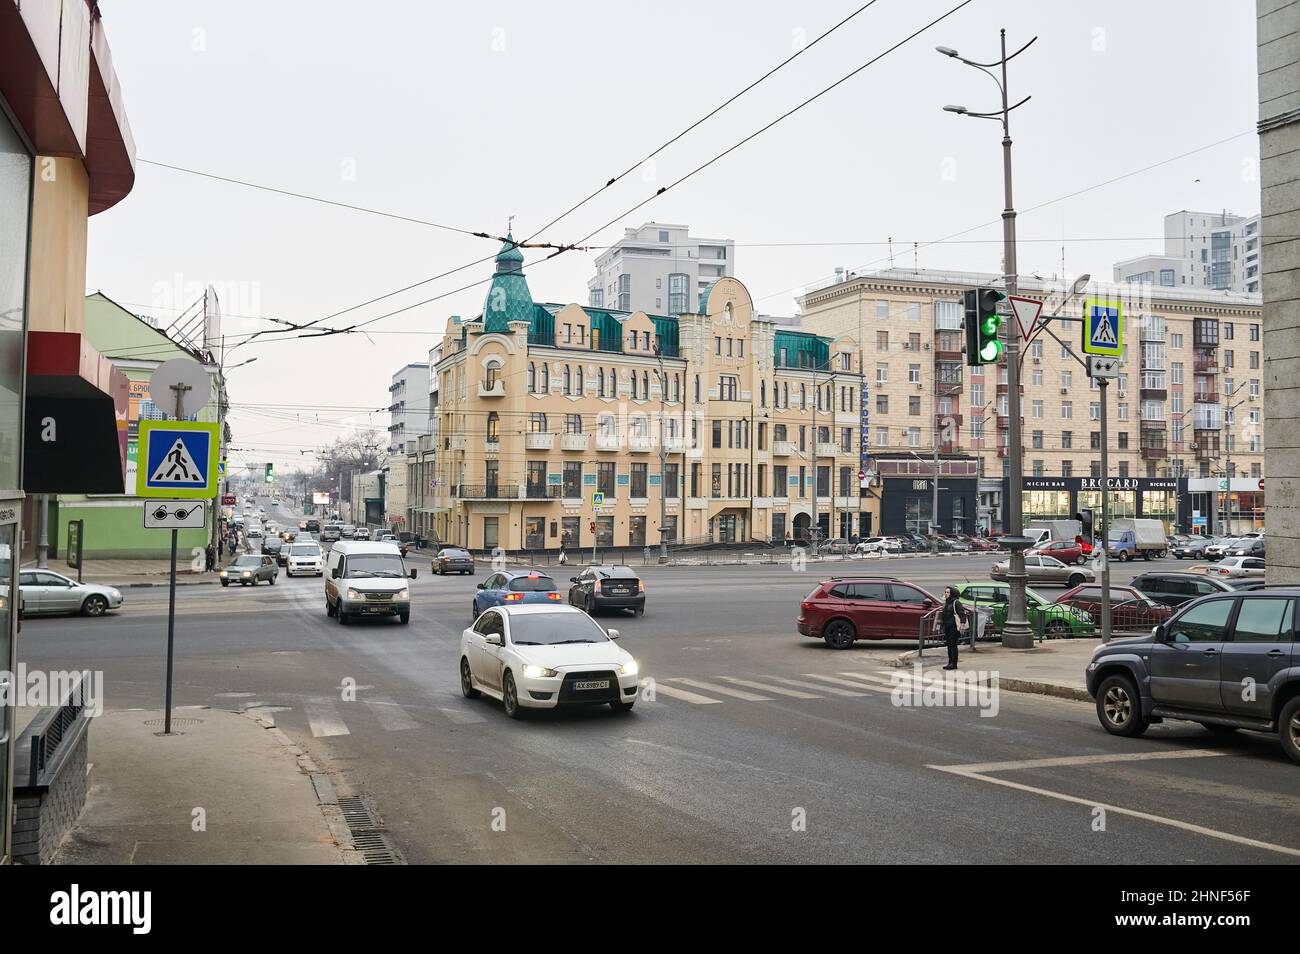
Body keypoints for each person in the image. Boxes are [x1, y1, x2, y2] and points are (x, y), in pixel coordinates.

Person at [939, 585, 971, 671]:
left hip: (954, 627)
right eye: (945, 592)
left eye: (948, 592)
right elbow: (944, 615)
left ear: (952, 593)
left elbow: (962, 614)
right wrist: (941, 626)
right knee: (949, 645)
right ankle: (950, 662)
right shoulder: (946, 602)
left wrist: (962, 625)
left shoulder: (956, 602)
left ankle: (954, 663)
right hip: (947, 626)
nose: (946, 594)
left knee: (953, 645)